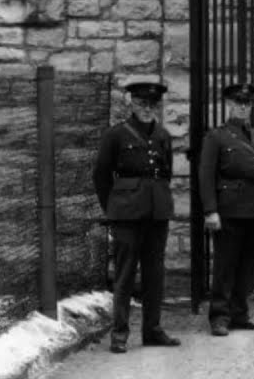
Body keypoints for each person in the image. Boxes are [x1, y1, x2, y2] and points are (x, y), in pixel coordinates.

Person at [92, 81, 181, 354]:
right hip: (126, 216)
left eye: (152, 105)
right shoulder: (115, 135)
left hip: (156, 214)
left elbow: (165, 174)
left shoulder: (163, 136)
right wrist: (114, 210)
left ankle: (152, 330)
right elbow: (100, 175)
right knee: (125, 274)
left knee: (155, 274)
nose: (147, 109)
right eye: (142, 104)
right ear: (132, 103)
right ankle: (119, 334)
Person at [199, 83, 254, 337]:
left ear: (251, 106)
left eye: (247, 104)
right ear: (229, 105)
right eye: (238, 103)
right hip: (230, 210)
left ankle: (240, 314)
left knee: (247, 266)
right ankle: (219, 316)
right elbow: (206, 175)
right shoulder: (217, 136)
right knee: (225, 265)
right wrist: (210, 211)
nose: (243, 108)